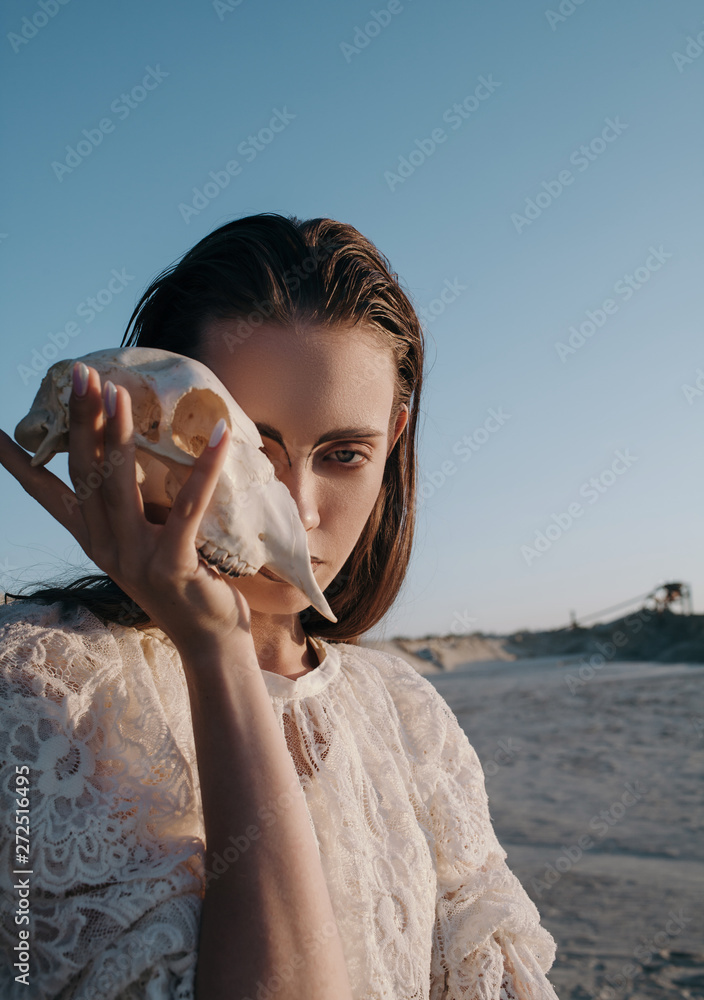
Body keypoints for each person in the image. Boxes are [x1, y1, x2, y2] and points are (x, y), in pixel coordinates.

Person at [0, 213, 559, 999]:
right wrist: (217, 650)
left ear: (393, 442)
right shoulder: (42, 687)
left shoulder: (406, 713)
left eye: (343, 455)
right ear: (148, 424)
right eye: (250, 452)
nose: (297, 510)